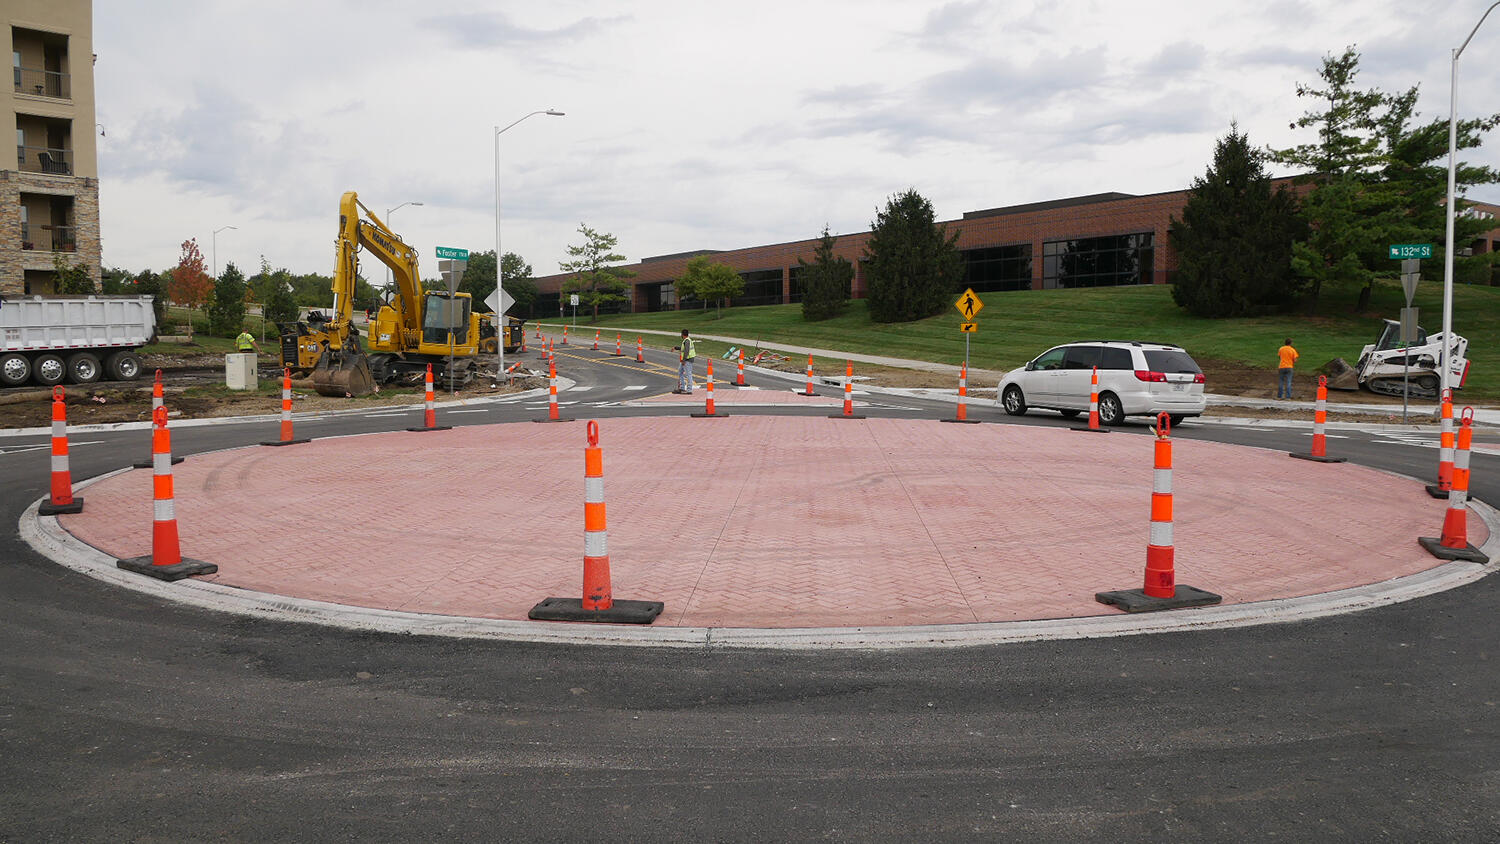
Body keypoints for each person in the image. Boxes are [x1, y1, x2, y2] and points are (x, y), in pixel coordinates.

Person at [671, 328, 696, 394]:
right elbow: (683, 349)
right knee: (680, 372)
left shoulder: (687, 341)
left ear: (682, 334)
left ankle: (689, 390)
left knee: (688, 374)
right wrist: (675, 348)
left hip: (687, 360)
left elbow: (686, 351)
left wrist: (684, 360)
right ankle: (682, 388)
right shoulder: (686, 340)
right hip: (685, 360)